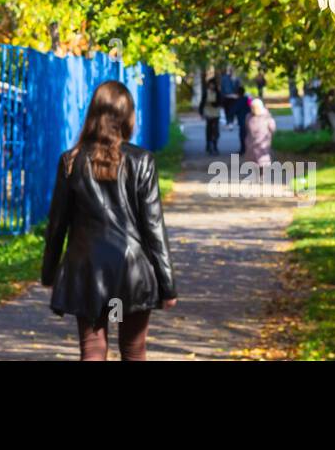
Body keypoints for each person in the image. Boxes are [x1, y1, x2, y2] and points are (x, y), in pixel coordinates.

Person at [42, 80, 177, 361]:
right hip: (132, 271)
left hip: (86, 270)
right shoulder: (142, 161)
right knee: (133, 350)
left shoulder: (70, 161)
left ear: (93, 114)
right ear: (128, 116)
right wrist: (168, 286)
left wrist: (50, 272)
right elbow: (153, 228)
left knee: (92, 350)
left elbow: (57, 224)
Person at [244, 97, 276, 167]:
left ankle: (261, 174)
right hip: (259, 142)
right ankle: (261, 174)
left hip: (257, 142)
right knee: (261, 160)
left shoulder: (249, 117)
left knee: (259, 160)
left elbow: (247, 128)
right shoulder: (266, 116)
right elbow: (272, 128)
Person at [198, 74, 223, 155]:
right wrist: (201, 112)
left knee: (215, 130)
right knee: (209, 130)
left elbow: (220, 102)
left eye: (213, 85)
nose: (212, 86)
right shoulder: (206, 93)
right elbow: (202, 103)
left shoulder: (218, 93)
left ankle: (215, 145)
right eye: (210, 85)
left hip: (216, 113)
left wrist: (213, 103)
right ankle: (208, 145)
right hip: (208, 113)